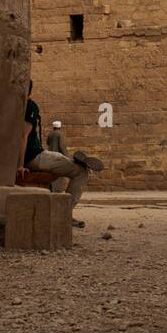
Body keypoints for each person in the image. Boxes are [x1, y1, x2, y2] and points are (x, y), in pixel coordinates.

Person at [19, 84, 101, 228]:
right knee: (81, 172)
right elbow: (23, 136)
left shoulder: (13, 106)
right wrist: (20, 165)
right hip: (35, 157)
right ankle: (64, 214)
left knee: (61, 161)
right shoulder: (30, 106)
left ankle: (71, 162)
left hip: (41, 155)